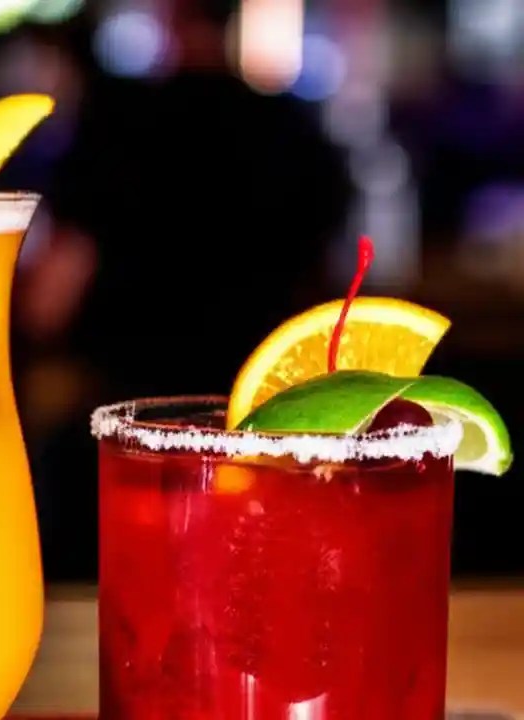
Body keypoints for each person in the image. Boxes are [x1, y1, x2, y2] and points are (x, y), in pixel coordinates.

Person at [35, 0, 352, 579]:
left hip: (126, 427)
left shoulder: (121, 122)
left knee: (128, 583)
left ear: (170, 20)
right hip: (265, 421)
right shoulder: (293, 127)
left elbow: (55, 292)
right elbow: (330, 284)